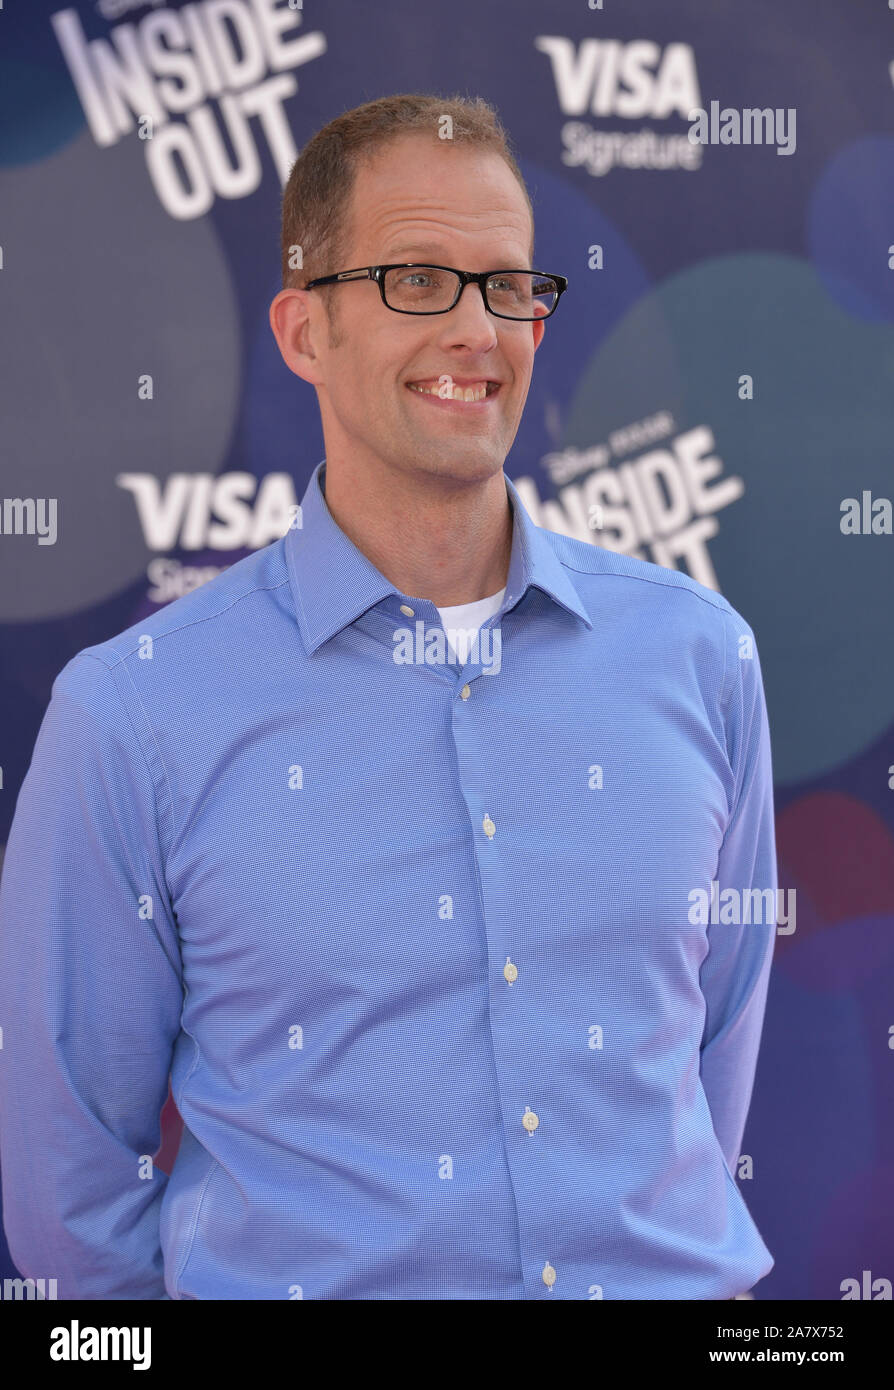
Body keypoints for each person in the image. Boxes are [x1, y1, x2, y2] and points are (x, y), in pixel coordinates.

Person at [0, 93, 777, 1300]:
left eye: (508, 282)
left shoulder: (700, 656)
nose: (479, 329)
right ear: (305, 332)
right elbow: (71, 1192)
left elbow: (709, 1064)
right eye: (418, 278)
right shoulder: (131, 716)